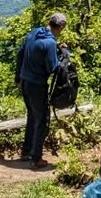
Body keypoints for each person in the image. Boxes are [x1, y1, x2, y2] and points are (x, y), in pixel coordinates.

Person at [13, 12, 66, 168]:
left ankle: (27, 151)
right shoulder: (49, 43)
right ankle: (36, 159)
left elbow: (21, 53)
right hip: (37, 85)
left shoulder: (34, 32)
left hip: (24, 81)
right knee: (42, 119)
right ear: (61, 27)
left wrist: (17, 76)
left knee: (32, 116)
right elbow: (53, 68)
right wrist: (65, 54)